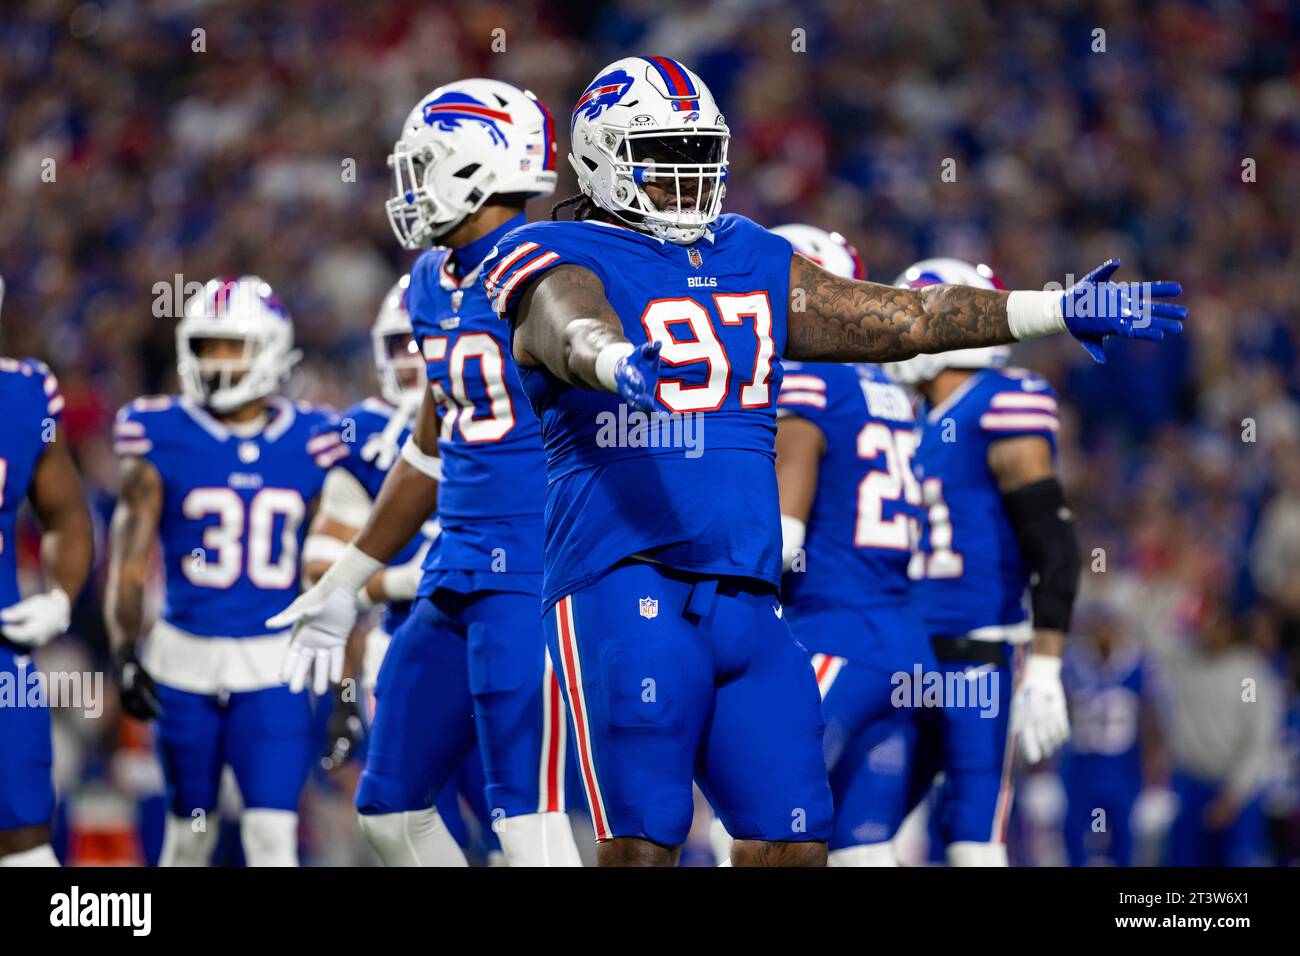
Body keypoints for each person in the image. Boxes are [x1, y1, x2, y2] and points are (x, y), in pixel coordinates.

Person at [474, 57, 1183, 867]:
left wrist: (1049, 308)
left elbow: (904, 319)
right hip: (625, 577)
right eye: (665, 149)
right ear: (601, 155)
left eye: (700, 150)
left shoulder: (745, 249)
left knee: (795, 839)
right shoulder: (549, 246)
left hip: (750, 593)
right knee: (645, 838)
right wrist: (613, 362)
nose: (687, 171)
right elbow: (566, 322)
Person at [271, 80, 583, 866]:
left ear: (478, 168)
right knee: (389, 810)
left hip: (535, 572)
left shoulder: (557, 271)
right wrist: (343, 581)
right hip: (454, 569)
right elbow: (428, 450)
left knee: (529, 821)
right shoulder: (425, 282)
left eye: (427, 164)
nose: (410, 185)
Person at [106, 276, 332, 866]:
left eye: (232, 346)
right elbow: (128, 562)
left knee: (271, 840)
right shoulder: (159, 432)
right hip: (184, 657)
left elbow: (336, 563)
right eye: (207, 346)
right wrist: (124, 649)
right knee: (190, 838)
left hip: (275, 659)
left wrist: (349, 668)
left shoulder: (317, 438)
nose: (217, 361)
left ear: (272, 350)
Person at [884, 257, 1083, 865]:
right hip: (902, 653)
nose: (901, 333)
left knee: (973, 833)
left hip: (979, 648)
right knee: (860, 826)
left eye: (916, 317)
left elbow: (1053, 542)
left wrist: (1046, 666)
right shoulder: (905, 416)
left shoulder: (1002, 402)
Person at [304, 277, 500, 864]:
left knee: (513, 818)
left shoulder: (509, 419)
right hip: (403, 641)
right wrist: (407, 581)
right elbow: (322, 571)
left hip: (504, 630)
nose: (413, 360)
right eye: (401, 345)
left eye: (422, 344)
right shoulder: (363, 435)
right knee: (412, 816)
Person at [0, 295, 94, 866]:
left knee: (25, 843)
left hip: (1, 658)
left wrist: (59, 596)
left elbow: (66, 515)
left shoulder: (24, 394)